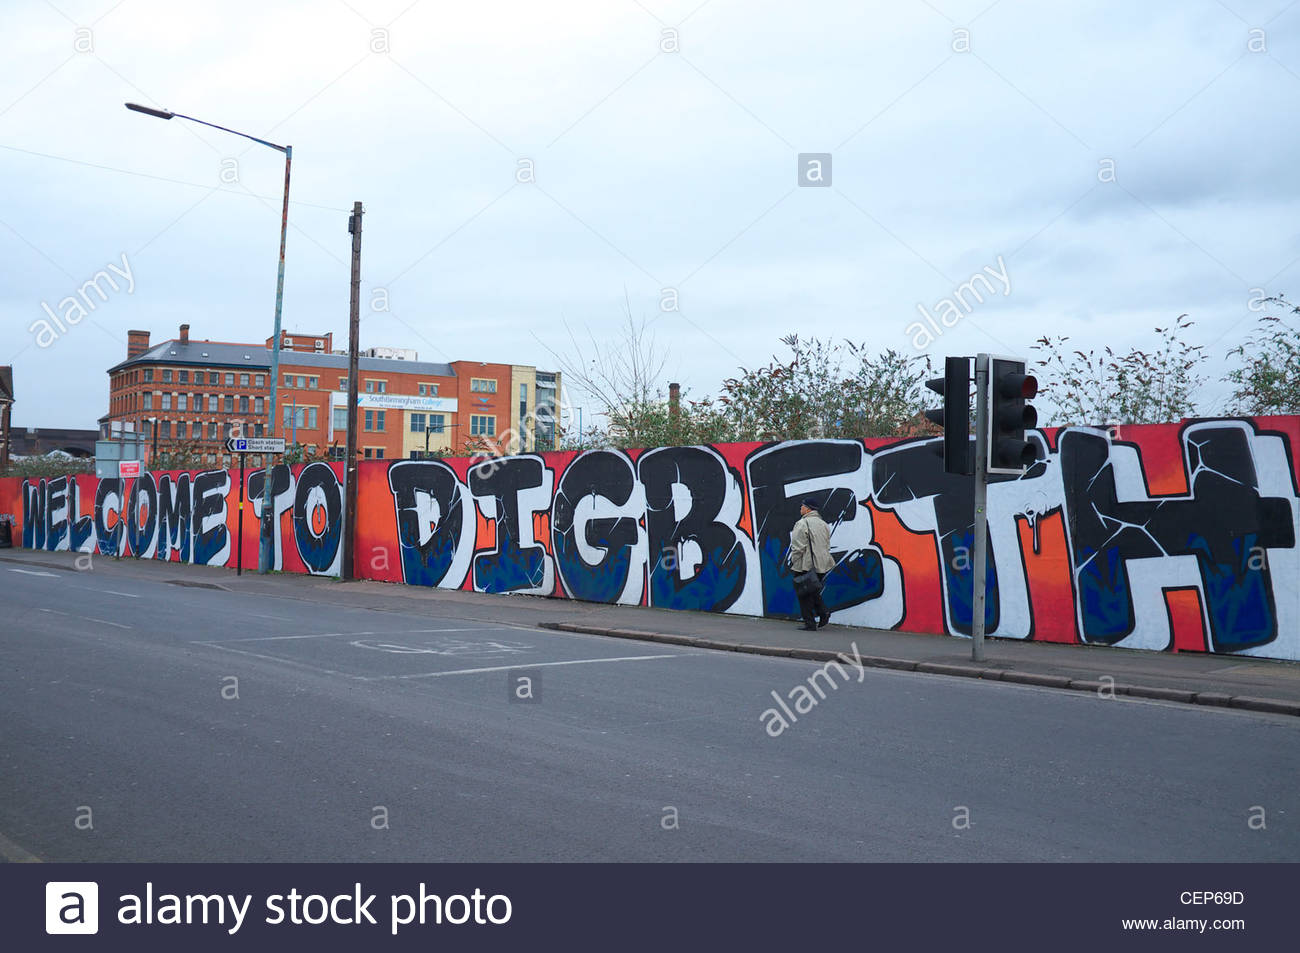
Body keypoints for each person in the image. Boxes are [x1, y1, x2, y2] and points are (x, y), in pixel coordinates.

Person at [788, 496, 834, 631]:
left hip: (805, 564)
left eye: (802, 506)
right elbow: (826, 544)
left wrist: (794, 561)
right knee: (812, 590)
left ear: (808, 509)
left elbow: (798, 547)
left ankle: (810, 623)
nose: (800, 508)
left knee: (804, 594)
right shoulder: (823, 524)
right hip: (822, 564)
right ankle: (823, 613)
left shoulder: (802, 524)